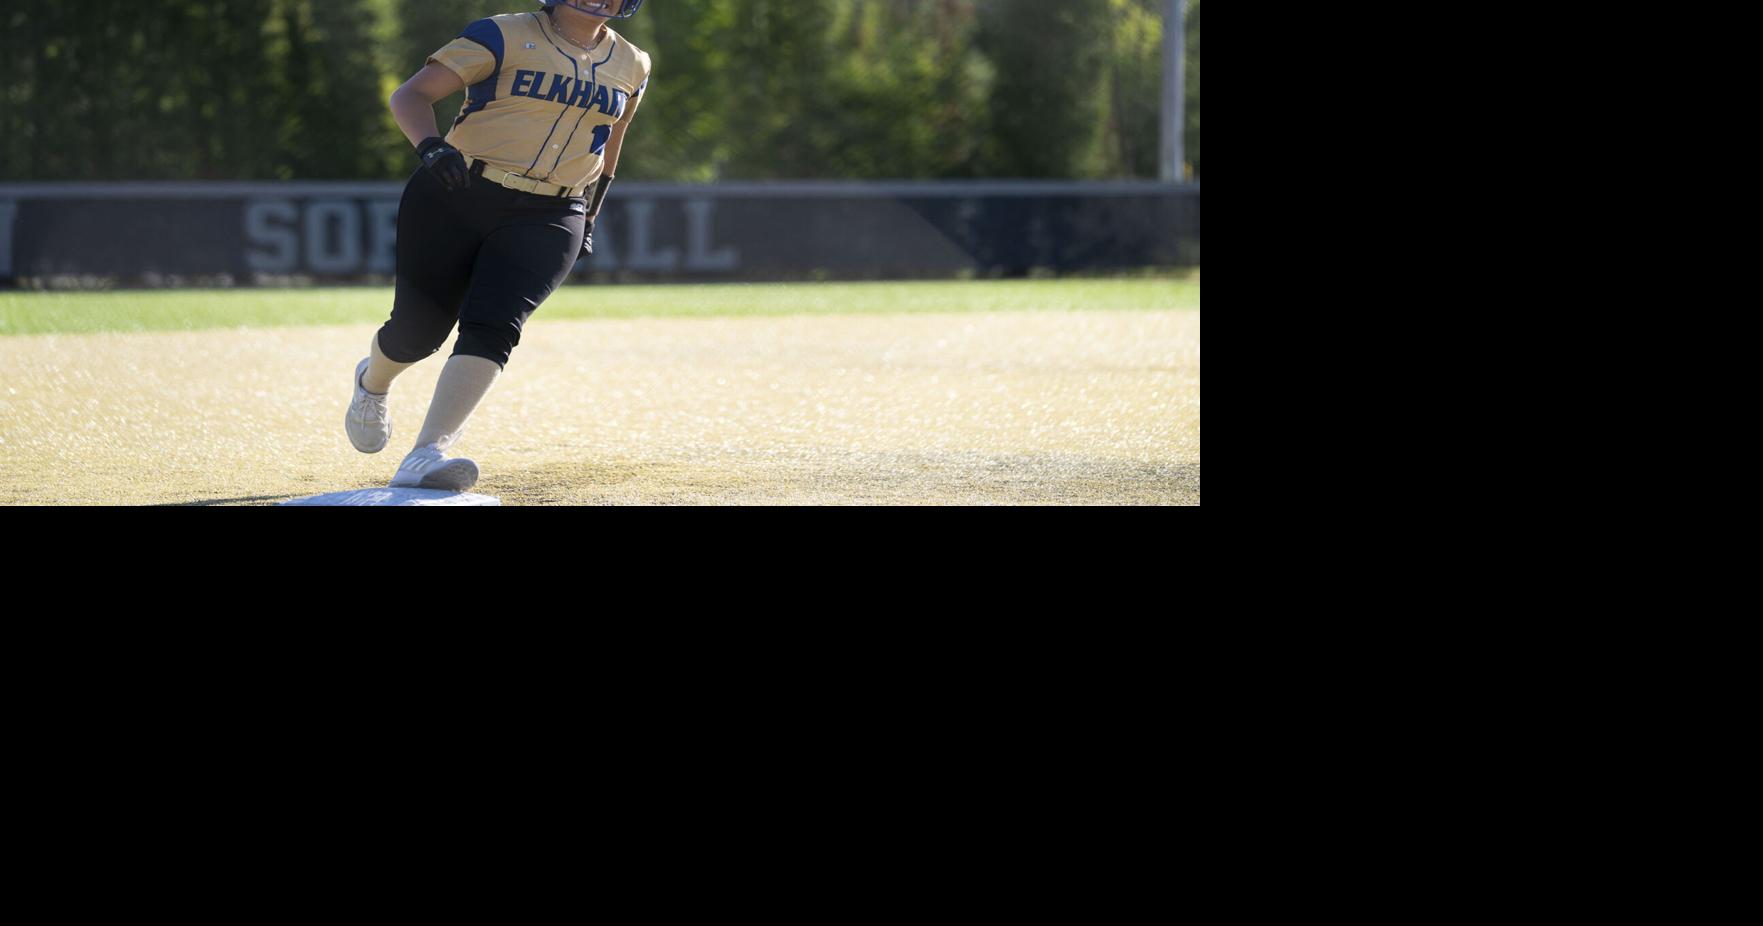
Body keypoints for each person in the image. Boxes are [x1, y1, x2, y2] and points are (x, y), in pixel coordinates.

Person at [346, 0, 651, 491]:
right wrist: (431, 147)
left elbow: (612, 141)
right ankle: (372, 382)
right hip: (459, 189)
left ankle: (427, 453)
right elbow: (411, 96)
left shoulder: (633, 62)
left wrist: (590, 210)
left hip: (554, 210)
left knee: (495, 325)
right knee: (417, 333)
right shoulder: (503, 34)